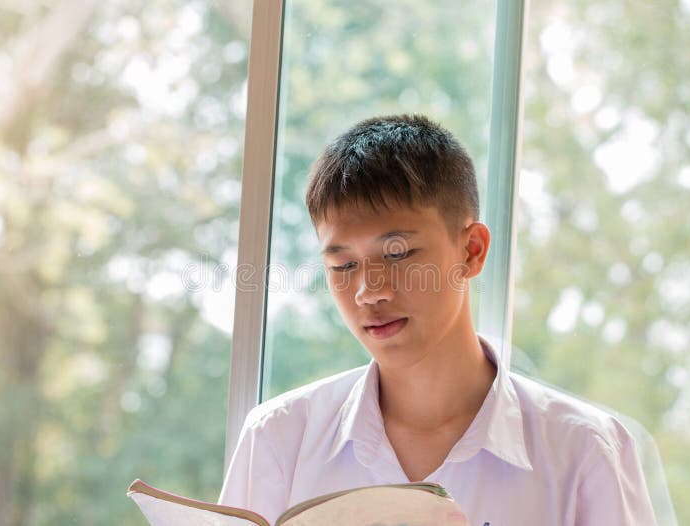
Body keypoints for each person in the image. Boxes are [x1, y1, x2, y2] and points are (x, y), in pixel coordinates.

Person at [218, 114, 658, 525]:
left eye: (397, 253)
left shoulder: (585, 450)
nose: (370, 291)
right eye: (343, 265)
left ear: (471, 251)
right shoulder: (278, 438)